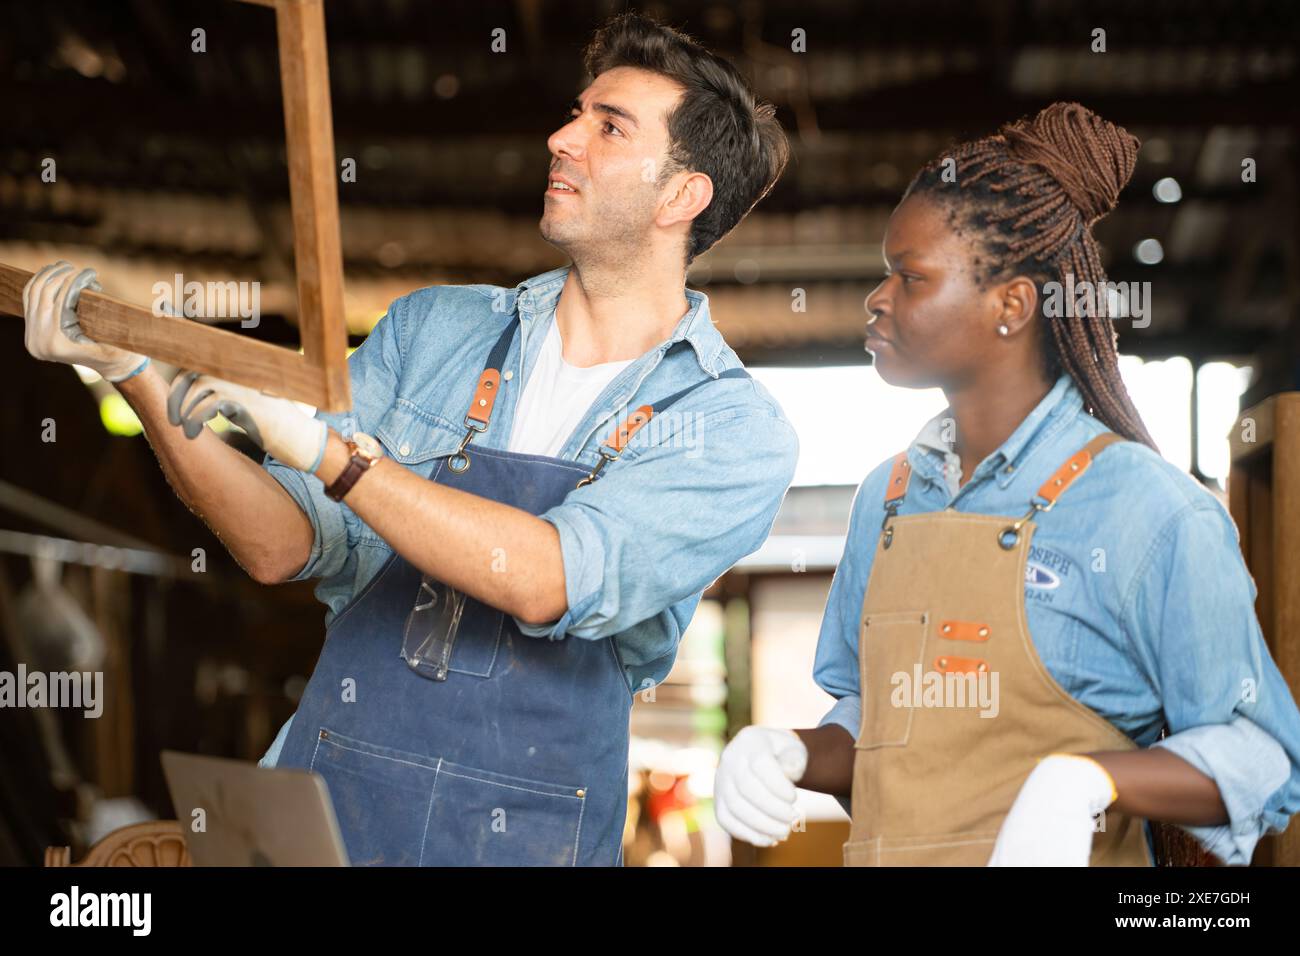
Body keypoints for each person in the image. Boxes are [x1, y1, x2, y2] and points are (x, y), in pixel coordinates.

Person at [21, 12, 798, 866]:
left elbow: (548, 577)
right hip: (327, 808)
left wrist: (336, 457)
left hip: (522, 840)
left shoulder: (729, 427)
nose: (561, 137)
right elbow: (281, 544)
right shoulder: (434, 332)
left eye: (607, 126)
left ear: (681, 196)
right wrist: (135, 372)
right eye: (576, 112)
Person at [713, 102, 1300, 866]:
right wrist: (787, 750)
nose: (878, 298)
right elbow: (886, 737)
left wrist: (1087, 781)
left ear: (1012, 306)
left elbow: (1265, 757)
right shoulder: (887, 501)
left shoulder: (1147, 510)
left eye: (910, 276)